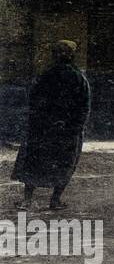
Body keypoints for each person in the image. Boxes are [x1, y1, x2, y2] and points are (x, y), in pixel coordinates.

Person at [12, 40, 91, 211]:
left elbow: (33, 100)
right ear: (72, 56)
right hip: (67, 129)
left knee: (35, 162)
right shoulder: (78, 77)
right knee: (65, 163)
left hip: (43, 128)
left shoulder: (45, 75)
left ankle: (27, 200)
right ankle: (55, 200)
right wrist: (77, 126)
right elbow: (84, 105)